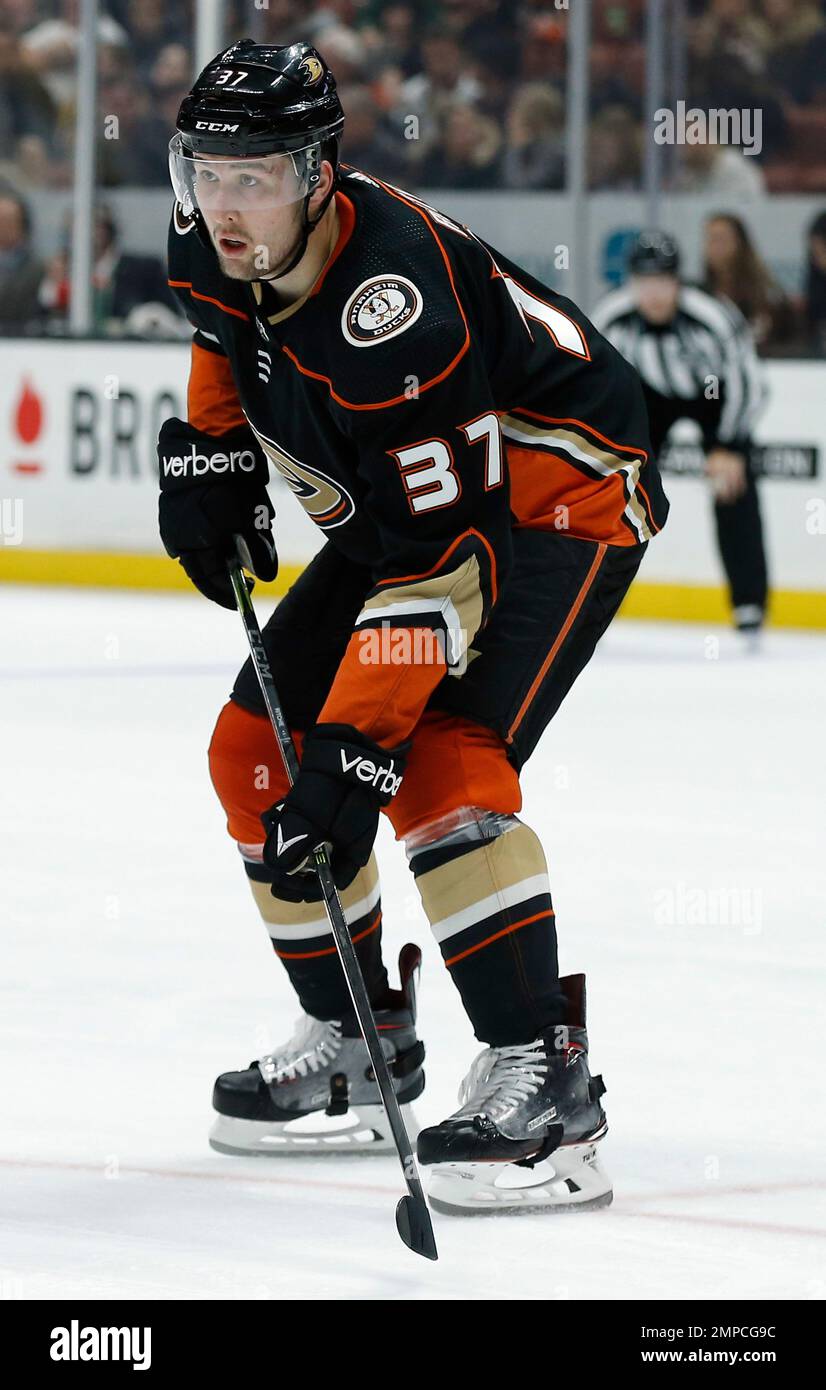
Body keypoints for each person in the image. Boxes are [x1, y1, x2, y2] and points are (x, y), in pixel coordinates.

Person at [159, 40, 668, 1215]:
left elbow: (448, 561)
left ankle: (549, 1078)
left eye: (257, 177)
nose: (224, 205)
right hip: (420, 501)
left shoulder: (397, 315)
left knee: (432, 760)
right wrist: (213, 457)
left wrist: (353, 747)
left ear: (322, 173)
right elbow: (220, 333)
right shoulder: (213, 225)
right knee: (252, 756)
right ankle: (360, 1035)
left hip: (556, 495)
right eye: (208, 172)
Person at [592, 230, 768, 636]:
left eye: (663, 281)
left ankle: (749, 605)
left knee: (733, 487)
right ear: (631, 282)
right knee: (615, 491)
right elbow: (595, 386)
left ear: (678, 282)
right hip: (650, 397)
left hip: (714, 397)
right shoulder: (611, 318)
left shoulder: (712, 315)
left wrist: (728, 445)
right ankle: (594, 595)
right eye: (644, 281)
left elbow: (749, 383)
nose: (654, 292)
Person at [702, 212, 797, 354]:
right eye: (709, 239)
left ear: (740, 243)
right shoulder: (702, 294)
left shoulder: (765, 294)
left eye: (719, 239)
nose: (712, 246)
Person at [0, 188, 44, 334]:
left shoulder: (36, 269)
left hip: (19, 340)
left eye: (7, 221)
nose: (2, 226)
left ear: (22, 225)